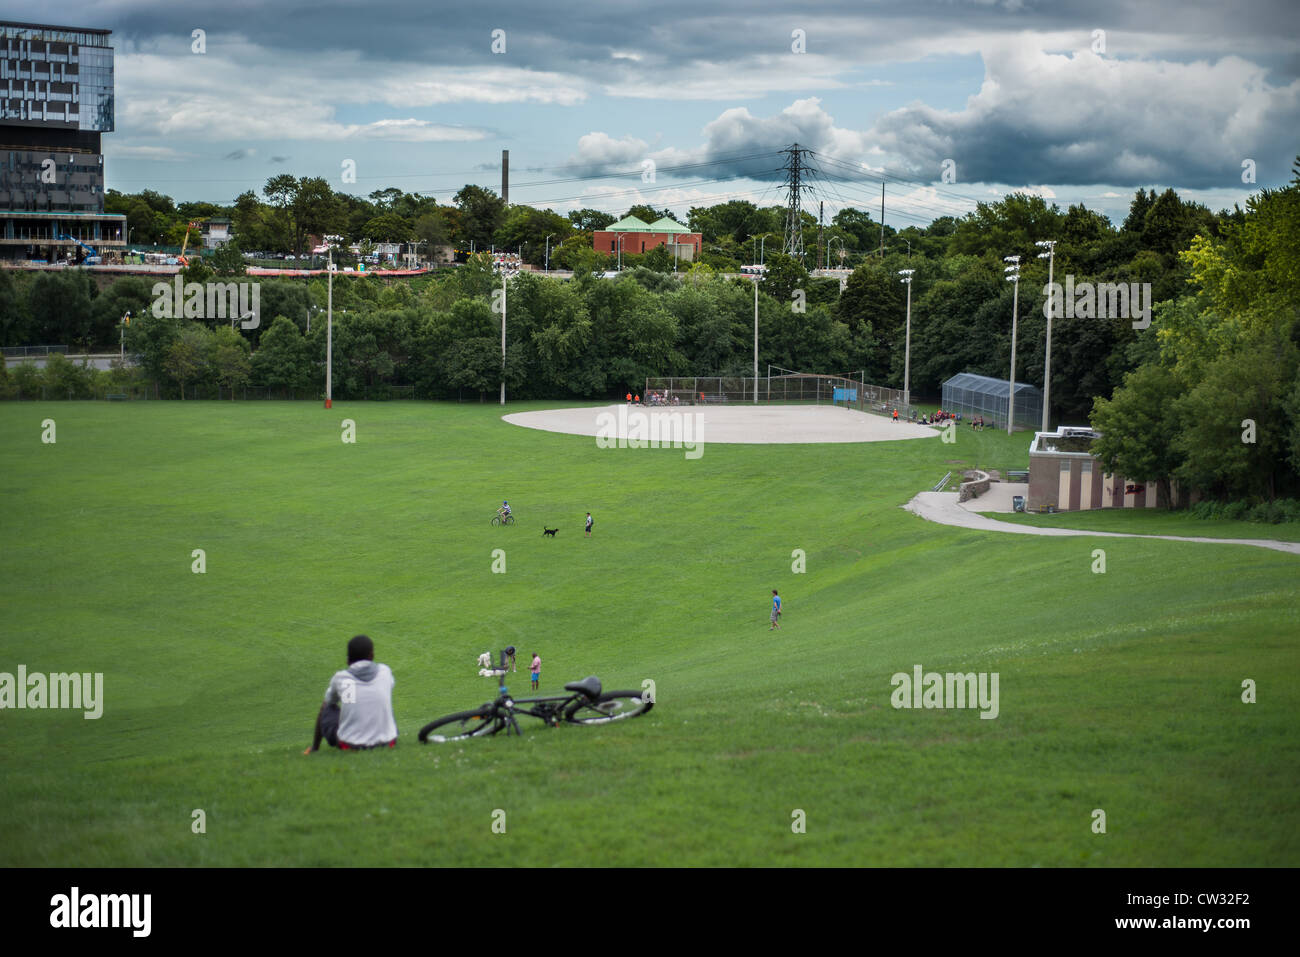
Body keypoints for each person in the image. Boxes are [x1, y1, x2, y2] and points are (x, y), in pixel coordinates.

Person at [304, 634, 397, 753]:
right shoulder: (385, 672)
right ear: (372, 655)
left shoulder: (342, 678)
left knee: (327, 706)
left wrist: (315, 747)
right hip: (388, 743)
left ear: (348, 660)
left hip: (350, 745)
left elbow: (328, 706)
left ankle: (315, 748)